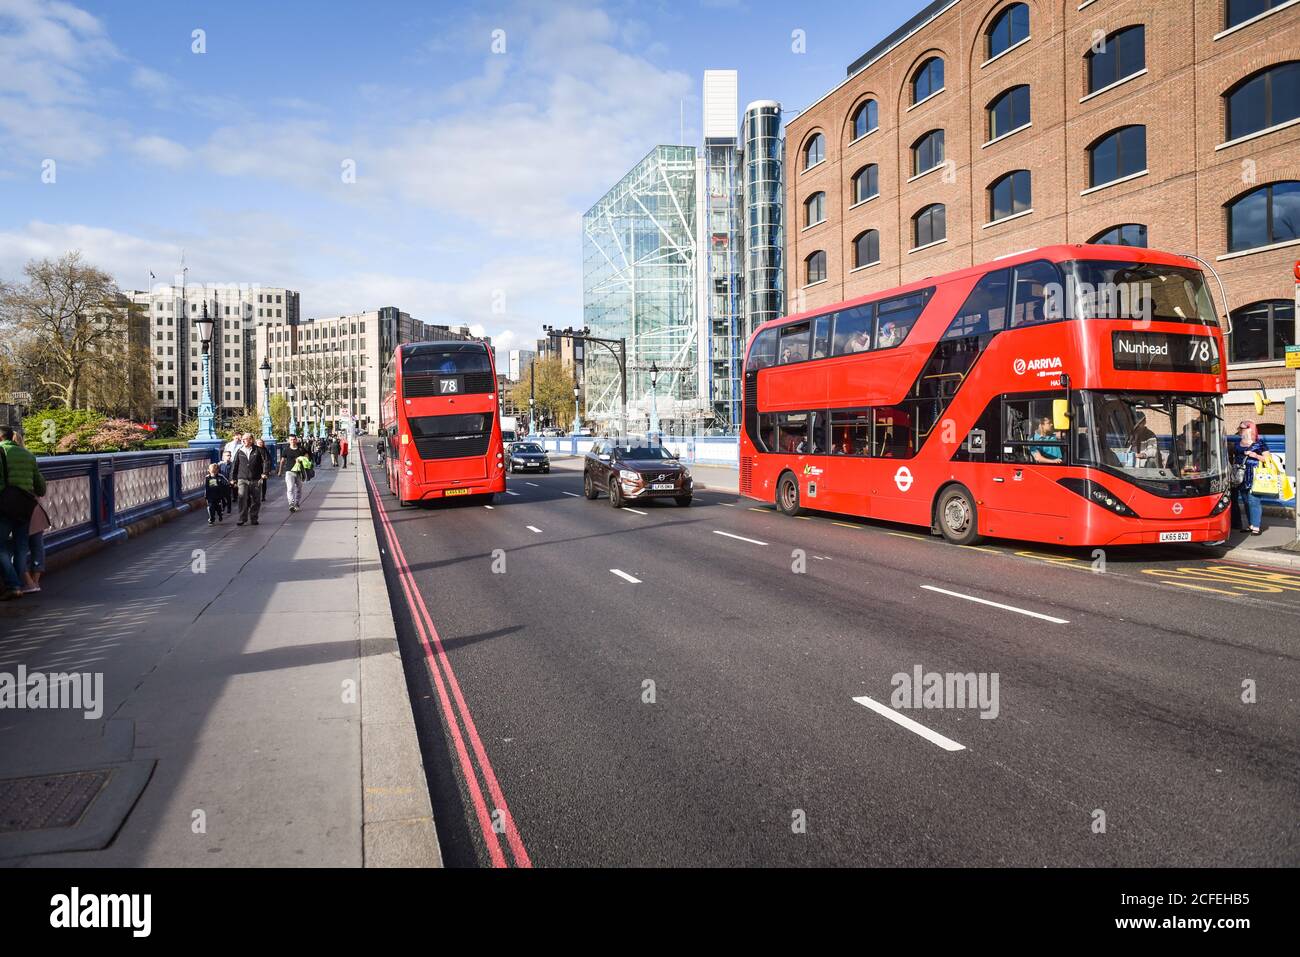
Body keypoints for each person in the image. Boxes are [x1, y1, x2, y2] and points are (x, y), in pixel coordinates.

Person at [0, 426, 45, 601]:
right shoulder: (28, 455)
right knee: (21, 547)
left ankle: (13, 585)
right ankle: (24, 583)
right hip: (25, 506)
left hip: (4, 507)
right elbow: (40, 488)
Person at [1232, 420, 1268, 536]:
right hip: (1240, 475)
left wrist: (1255, 455)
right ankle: (1250, 525)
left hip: (1254, 475)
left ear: (1250, 429)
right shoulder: (1238, 442)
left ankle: (1256, 526)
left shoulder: (1259, 443)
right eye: (1240, 428)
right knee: (1246, 501)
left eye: (1243, 428)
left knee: (1254, 500)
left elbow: (1267, 459)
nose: (1241, 430)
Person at [230, 432, 269, 526]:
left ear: (251, 440)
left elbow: (266, 461)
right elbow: (235, 465)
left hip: (255, 478)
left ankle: (254, 517)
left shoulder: (258, 450)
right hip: (242, 478)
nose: (243, 440)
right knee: (242, 497)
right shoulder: (239, 451)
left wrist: (264, 473)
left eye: (245, 438)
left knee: (256, 499)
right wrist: (232, 478)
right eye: (242, 439)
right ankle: (242, 518)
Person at [280, 434, 312, 513]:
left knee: (299, 488)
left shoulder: (301, 449)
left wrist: (302, 459)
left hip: (299, 472)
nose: (293, 441)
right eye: (291, 439)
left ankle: (297, 503)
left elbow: (307, 456)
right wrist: (280, 471)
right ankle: (291, 504)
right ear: (288, 440)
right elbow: (282, 460)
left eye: (294, 439)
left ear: (296, 440)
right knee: (290, 488)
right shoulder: (286, 450)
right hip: (289, 471)